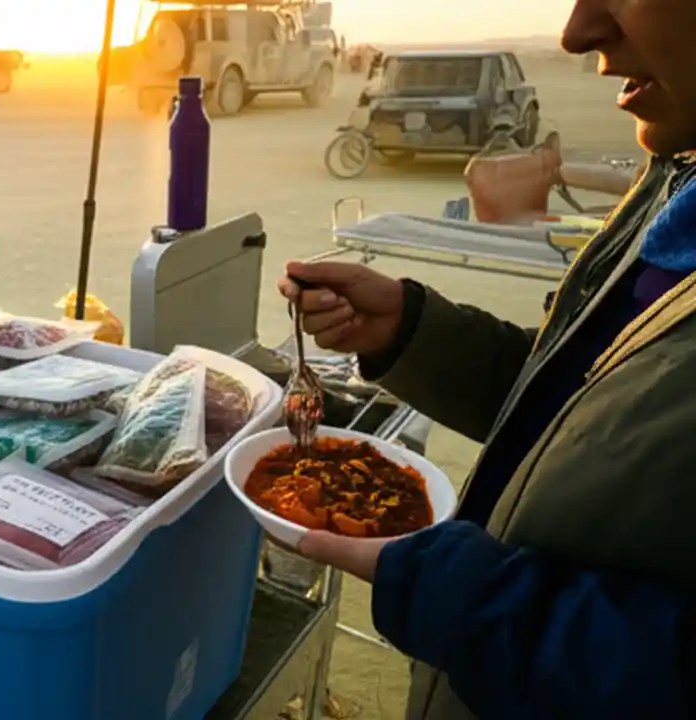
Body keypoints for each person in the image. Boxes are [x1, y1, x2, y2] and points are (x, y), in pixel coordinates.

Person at [277, 0, 696, 717]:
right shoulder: (676, 179)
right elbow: (580, 411)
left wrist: (479, 605)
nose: (578, 32)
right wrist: (408, 331)